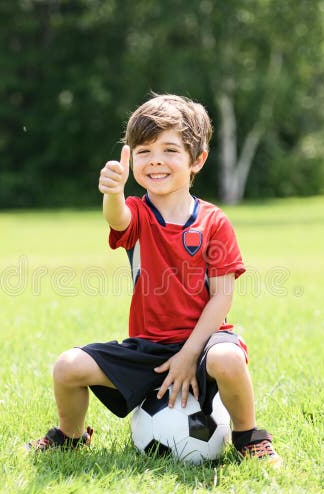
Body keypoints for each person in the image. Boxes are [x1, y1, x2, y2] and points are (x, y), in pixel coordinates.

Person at [26, 94, 281, 466]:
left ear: (197, 160)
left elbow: (221, 298)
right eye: (143, 151)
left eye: (170, 150)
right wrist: (113, 192)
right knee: (68, 367)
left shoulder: (214, 223)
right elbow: (117, 220)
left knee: (228, 358)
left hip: (205, 343)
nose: (156, 160)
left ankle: (248, 438)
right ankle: (70, 437)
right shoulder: (137, 214)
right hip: (147, 350)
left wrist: (190, 353)